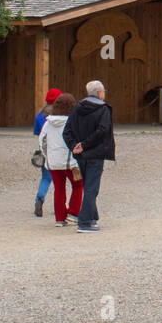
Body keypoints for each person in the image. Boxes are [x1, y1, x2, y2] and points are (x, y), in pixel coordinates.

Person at [63, 79, 115, 233]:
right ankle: (84, 222)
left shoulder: (77, 107)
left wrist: (74, 146)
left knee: (88, 186)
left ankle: (92, 217)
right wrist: (84, 145)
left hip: (81, 154)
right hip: (95, 152)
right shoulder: (103, 109)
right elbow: (103, 130)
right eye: (103, 91)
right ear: (99, 93)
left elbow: (67, 131)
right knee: (92, 188)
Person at [39, 92, 82, 226]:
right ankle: (73, 213)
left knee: (59, 188)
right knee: (78, 185)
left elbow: (42, 141)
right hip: (71, 162)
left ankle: (60, 218)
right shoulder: (73, 122)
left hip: (53, 162)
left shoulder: (48, 123)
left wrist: (48, 156)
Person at [32, 87, 60, 216]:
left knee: (45, 178)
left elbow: (38, 133)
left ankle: (40, 199)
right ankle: (60, 205)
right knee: (61, 180)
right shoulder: (62, 116)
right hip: (60, 150)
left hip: (45, 151)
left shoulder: (40, 115)